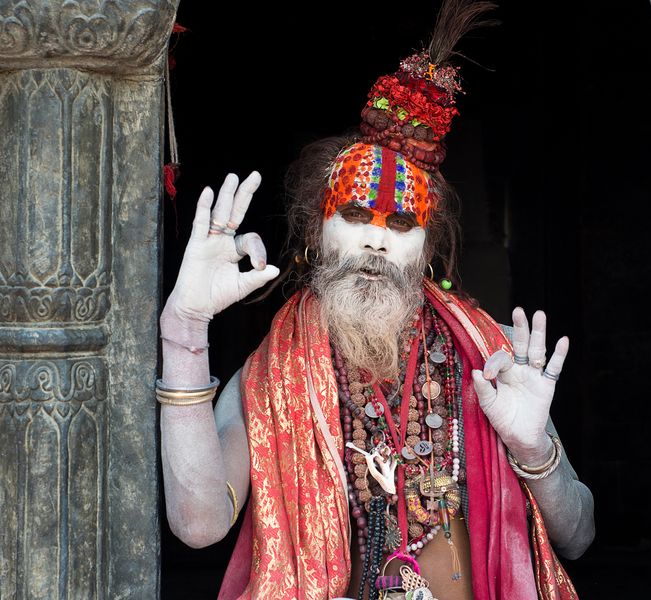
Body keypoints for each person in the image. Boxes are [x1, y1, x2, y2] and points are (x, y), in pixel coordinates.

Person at [157, 5, 594, 599]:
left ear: (425, 251)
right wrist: (184, 331)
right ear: (317, 233)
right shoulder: (272, 377)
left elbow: (579, 537)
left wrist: (533, 448)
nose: (376, 237)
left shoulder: (491, 359)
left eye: (403, 222)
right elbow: (200, 524)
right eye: (356, 214)